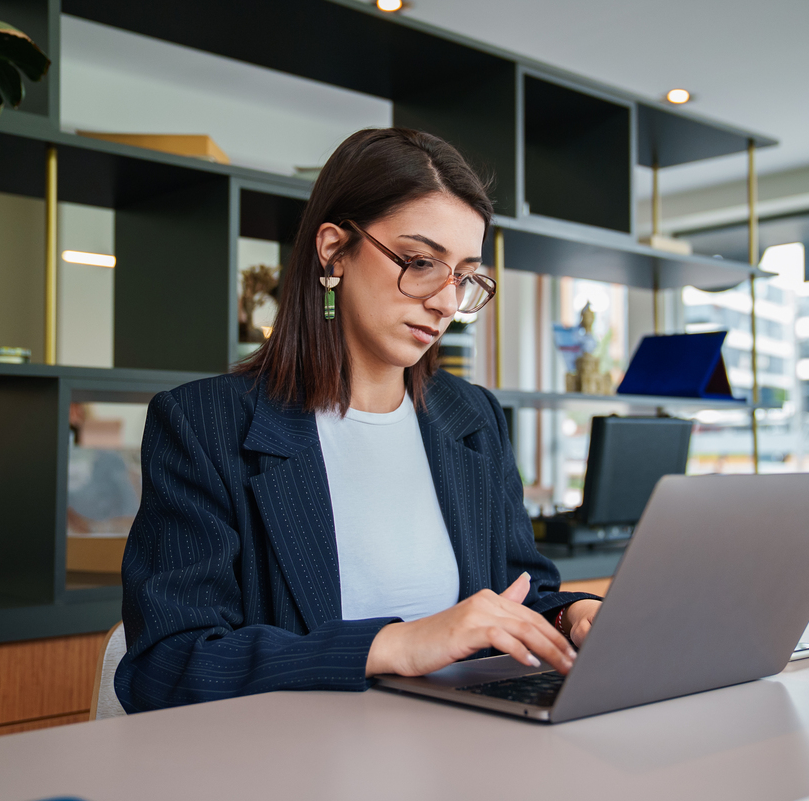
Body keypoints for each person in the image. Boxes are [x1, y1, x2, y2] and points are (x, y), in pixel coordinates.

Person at [115, 128, 603, 713]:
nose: (447, 303)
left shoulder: (471, 418)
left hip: (466, 750)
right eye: (421, 262)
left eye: (464, 277)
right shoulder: (203, 424)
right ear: (333, 249)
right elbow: (167, 666)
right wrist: (393, 643)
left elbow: (522, 592)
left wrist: (573, 613)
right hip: (298, 764)